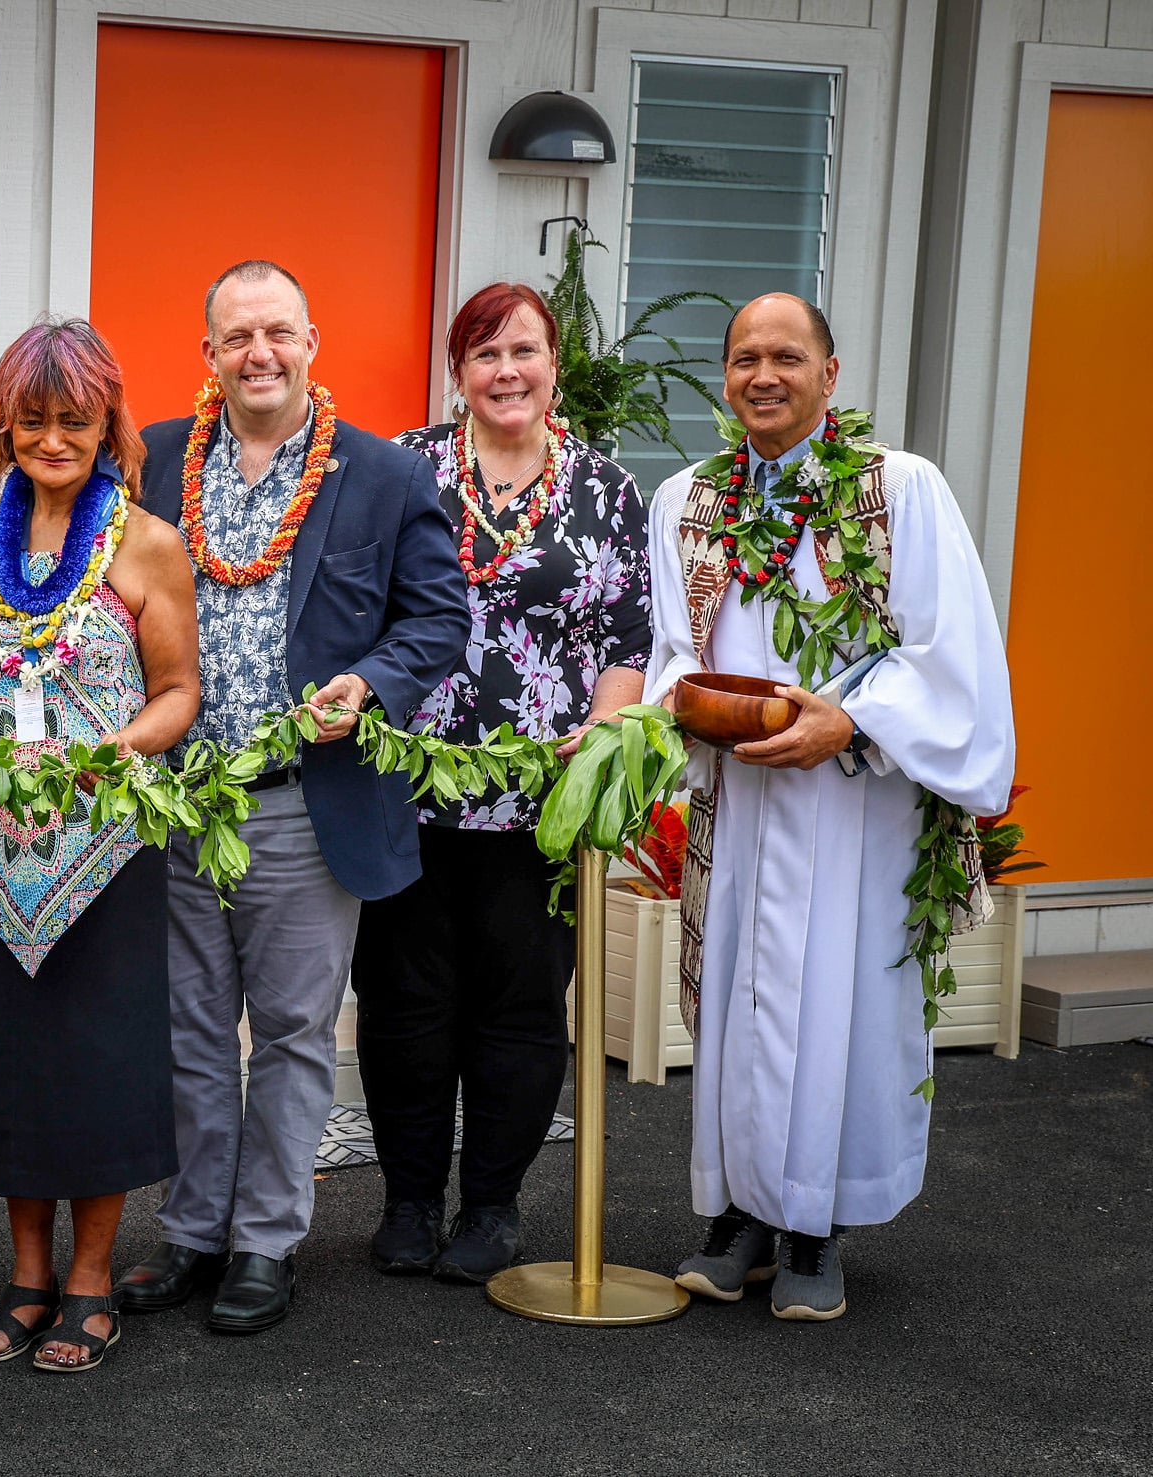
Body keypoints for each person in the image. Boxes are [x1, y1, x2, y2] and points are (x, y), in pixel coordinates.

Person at [643, 292, 1014, 1320]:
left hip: (854, 806)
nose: (763, 375)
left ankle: (814, 1228)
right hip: (739, 798)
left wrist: (844, 723)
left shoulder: (898, 491)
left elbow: (950, 652)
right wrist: (679, 710)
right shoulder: (685, 497)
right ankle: (736, 1218)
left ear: (829, 374)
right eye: (743, 358)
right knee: (734, 1005)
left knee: (839, 1004)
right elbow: (673, 645)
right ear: (724, 377)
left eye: (786, 357)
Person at [117, 260, 471, 1333]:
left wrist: (372, 682)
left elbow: (437, 619)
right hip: (176, 802)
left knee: (289, 1033)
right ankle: (189, 1230)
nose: (257, 353)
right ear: (208, 354)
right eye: (236, 337)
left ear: (311, 340)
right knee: (184, 1029)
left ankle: (264, 1241)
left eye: (276, 332)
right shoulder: (155, 462)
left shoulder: (382, 475)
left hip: (301, 805)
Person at [351, 282, 653, 1283]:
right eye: (483, 354)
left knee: (519, 1009)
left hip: (538, 801)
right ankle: (404, 1200)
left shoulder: (605, 491)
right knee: (402, 1002)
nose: (505, 371)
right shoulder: (404, 469)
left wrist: (603, 731)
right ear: (456, 372)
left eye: (522, 350)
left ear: (553, 362)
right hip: (406, 789)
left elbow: (624, 637)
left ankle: (488, 1205)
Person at [0, 319, 198, 1372]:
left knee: (102, 1063)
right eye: (31, 420)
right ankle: (25, 1271)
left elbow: (178, 692)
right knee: (19, 1065)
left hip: (111, 844)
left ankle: (89, 1276)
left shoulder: (146, 543)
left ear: (105, 423)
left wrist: (114, 752)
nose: (50, 439)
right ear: (5, 424)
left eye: (71, 420)